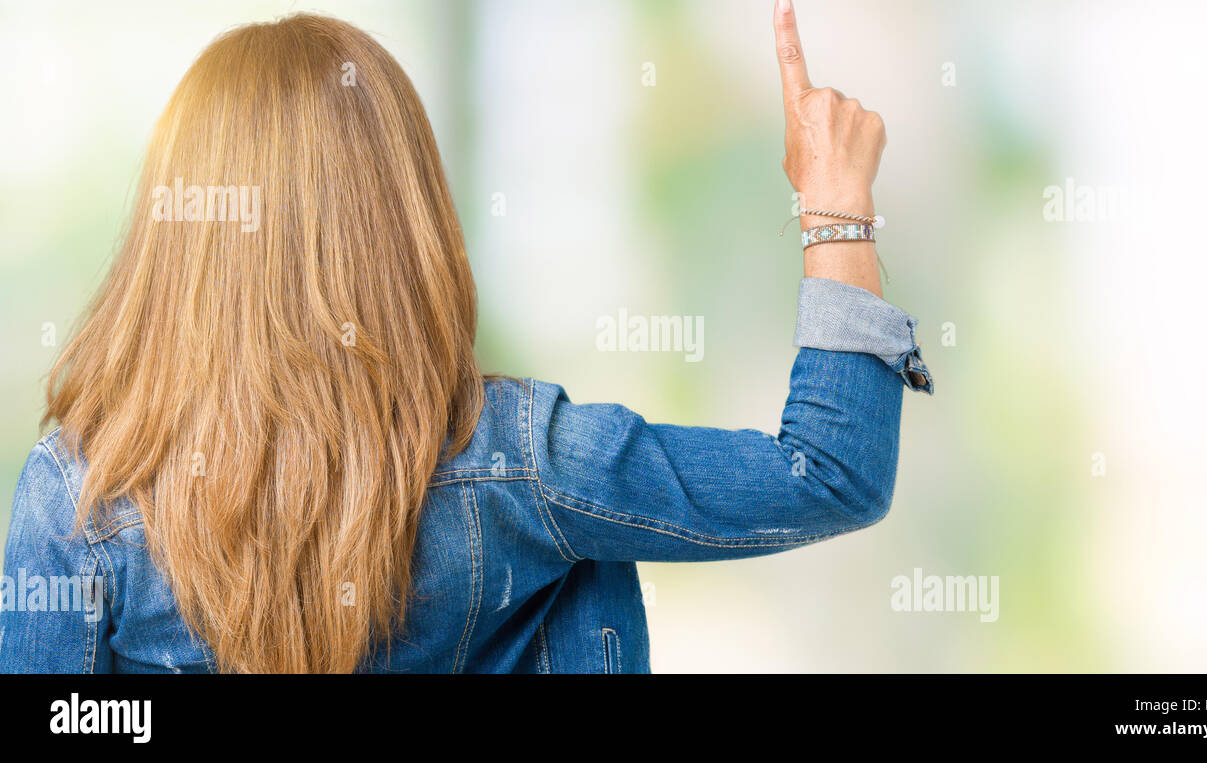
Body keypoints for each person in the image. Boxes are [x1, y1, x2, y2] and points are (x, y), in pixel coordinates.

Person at [0, 0, 929, 674]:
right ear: (402, 223)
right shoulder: (520, 459)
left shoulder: (78, 496)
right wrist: (835, 203)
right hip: (537, 501)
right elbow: (827, 473)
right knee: (576, 551)